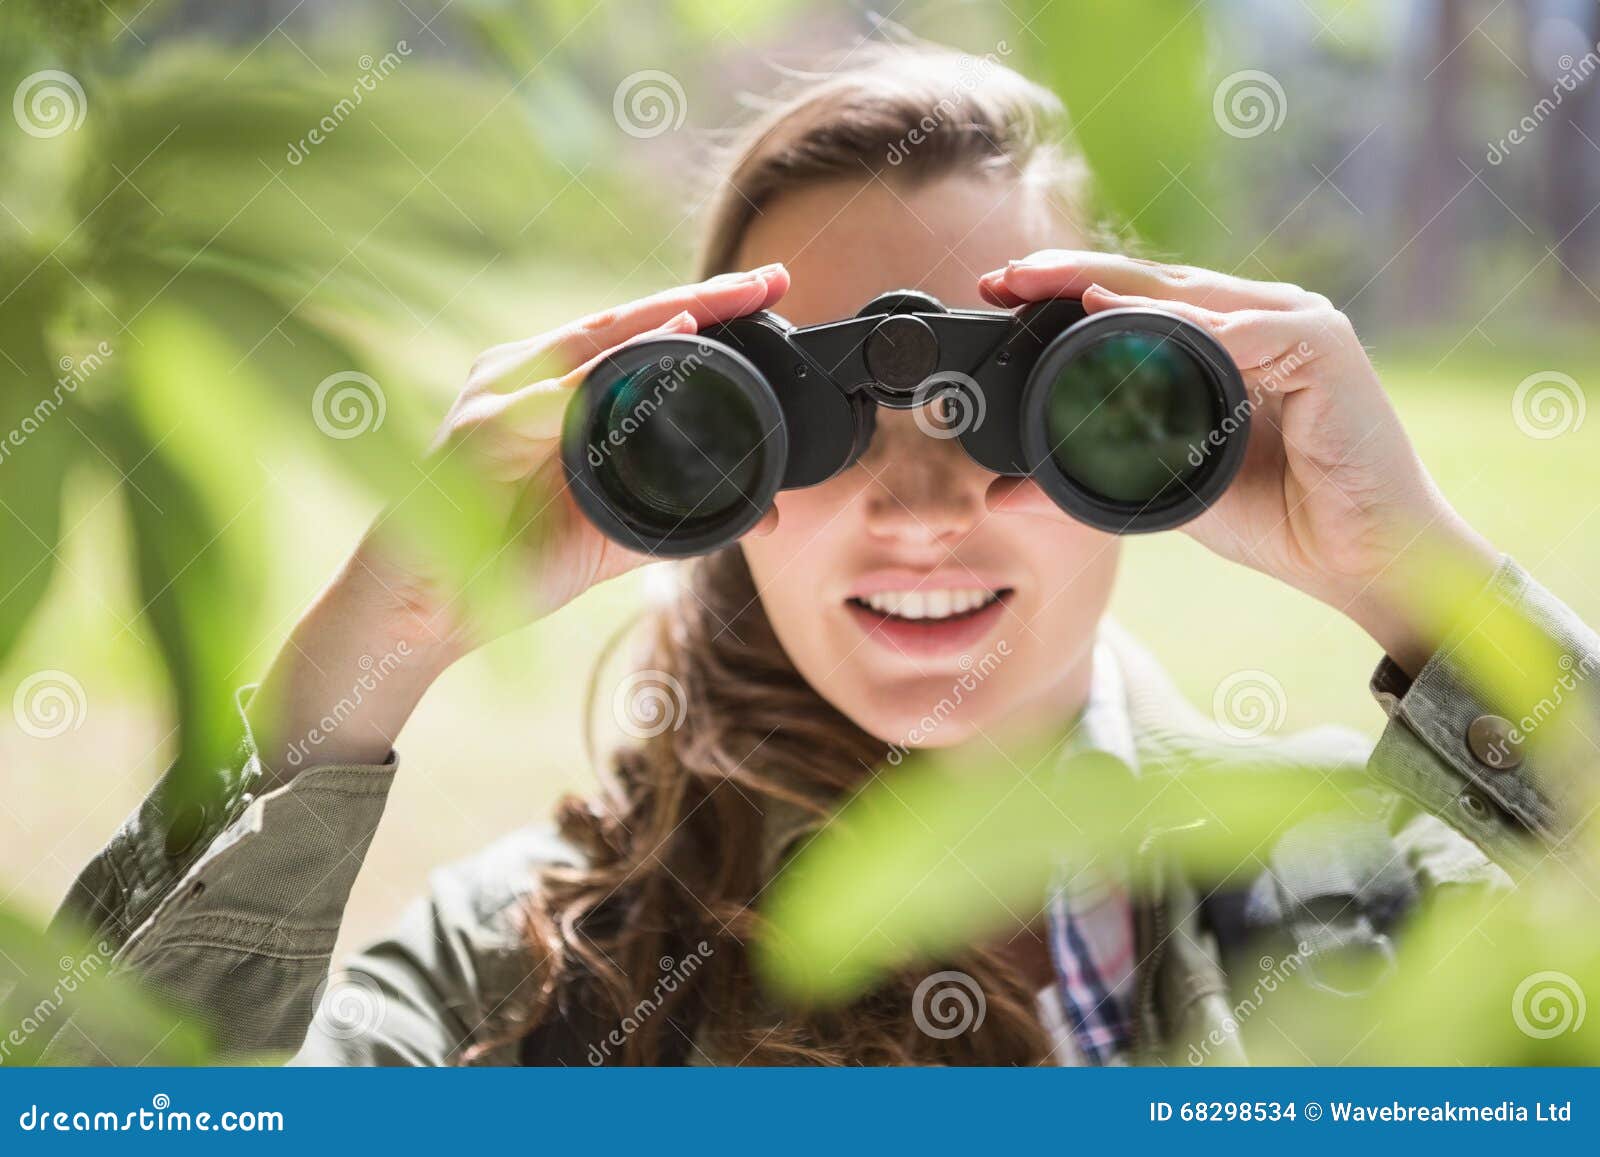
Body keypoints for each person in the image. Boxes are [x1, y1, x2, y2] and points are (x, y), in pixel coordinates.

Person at [44, 43, 1598, 1066]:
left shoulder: (1372, 884)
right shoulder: (525, 969)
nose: (919, 509)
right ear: (701, 457)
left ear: (1146, 422)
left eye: (1017, 412)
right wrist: (367, 657)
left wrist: (1419, 581)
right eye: (805, 420)